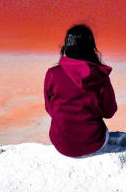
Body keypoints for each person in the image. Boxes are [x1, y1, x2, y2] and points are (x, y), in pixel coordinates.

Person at [44, 24, 117, 157]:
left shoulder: (52, 74)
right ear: (91, 48)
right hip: (93, 143)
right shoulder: (99, 76)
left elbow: (50, 109)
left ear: (67, 46)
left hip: (61, 143)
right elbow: (109, 112)